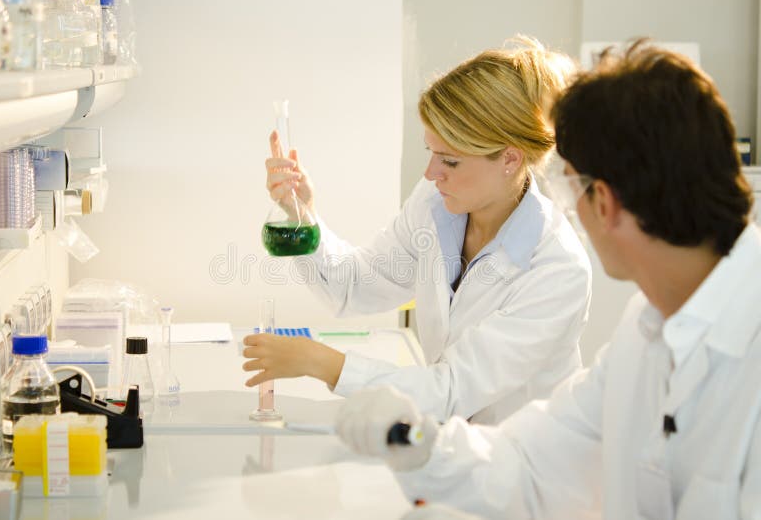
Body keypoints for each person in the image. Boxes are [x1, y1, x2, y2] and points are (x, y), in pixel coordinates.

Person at [334, 40, 760, 519]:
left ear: (603, 201)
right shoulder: (645, 331)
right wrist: (418, 440)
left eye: (570, 183)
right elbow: (533, 464)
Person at [243, 37, 591, 424]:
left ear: (510, 158)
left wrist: (321, 362)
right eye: (431, 152)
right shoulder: (436, 205)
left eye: (450, 161)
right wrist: (301, 212)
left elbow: (450, 390)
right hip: (453, 452)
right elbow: (353, 286)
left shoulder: (558, 269)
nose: (430, 174)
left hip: (523, 469)